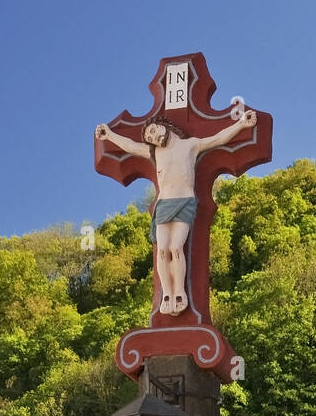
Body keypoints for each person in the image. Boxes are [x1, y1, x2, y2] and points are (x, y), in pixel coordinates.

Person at [96, 108, 259, 316]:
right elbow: (131, 147)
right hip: (163, 204)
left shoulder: (190, 145)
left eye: (153, 131)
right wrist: (109, 135)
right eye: (150, 137)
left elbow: (218, 139)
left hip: (184, 201)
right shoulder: (155, 152)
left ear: (163, 125)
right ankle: (167, 294)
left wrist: (241, 124)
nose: (153, 137)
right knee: (162, 249)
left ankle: (179, 292)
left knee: (175, 247)